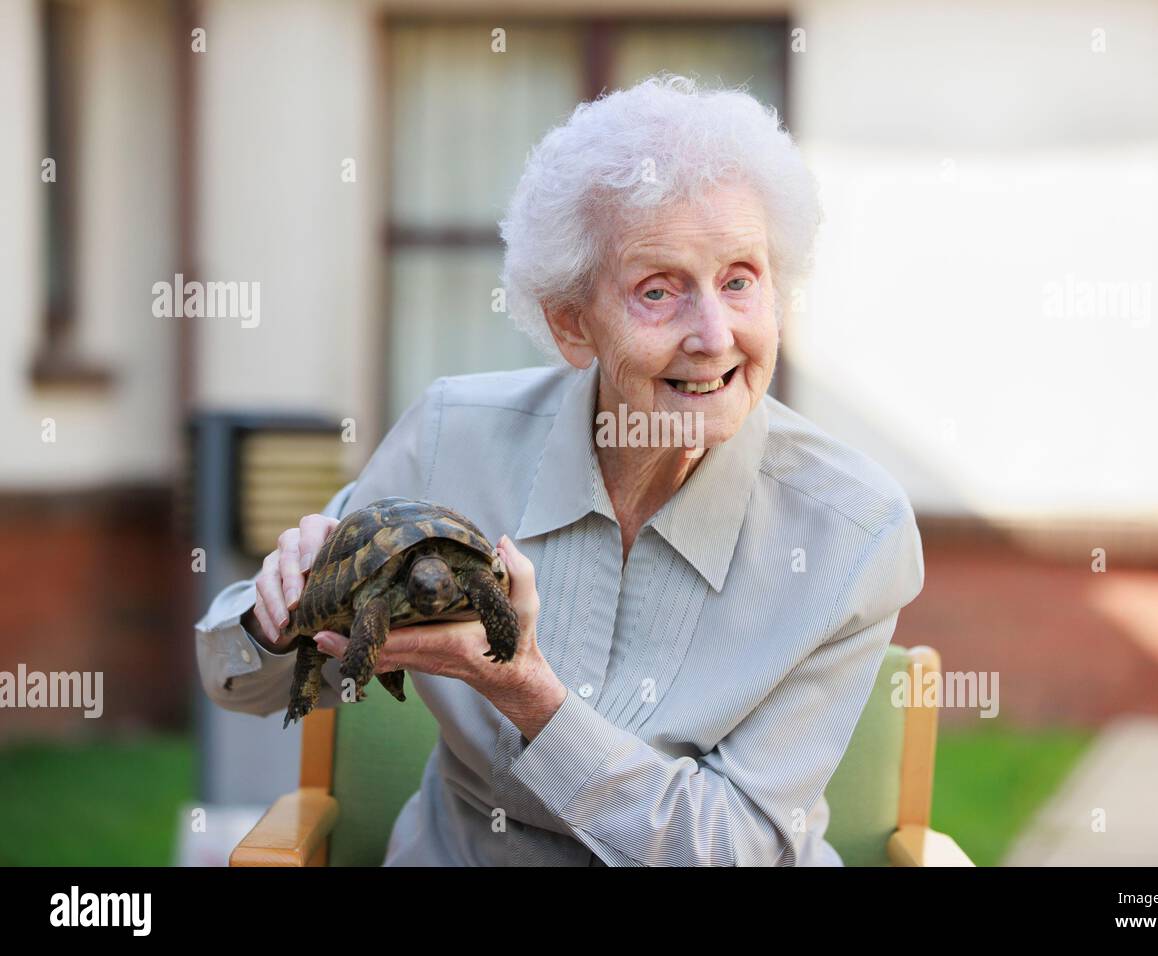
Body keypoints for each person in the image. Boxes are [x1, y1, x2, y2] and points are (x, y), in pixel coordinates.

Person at [194, 73, 924, 866]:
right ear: (572, 323)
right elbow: (247, 683)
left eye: (740, 280)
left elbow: (735, 847)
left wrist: (530, 696)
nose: (714, 335)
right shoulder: (454, 441)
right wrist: (275, 625)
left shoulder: (852, 530)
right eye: (659, 290)